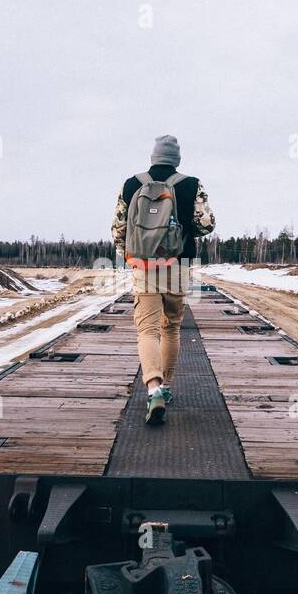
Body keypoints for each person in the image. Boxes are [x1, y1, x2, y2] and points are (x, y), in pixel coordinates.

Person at [111, 135, 216, 424]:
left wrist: (130, 256)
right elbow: (206, 224)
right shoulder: (192, 184)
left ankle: (153, 388)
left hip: (143, 266)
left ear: (153, 156)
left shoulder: (132, 184)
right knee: (171, 326)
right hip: (177, 264)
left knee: (146, 330)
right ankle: (167, 387)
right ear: (177, 159)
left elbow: (118, 228)